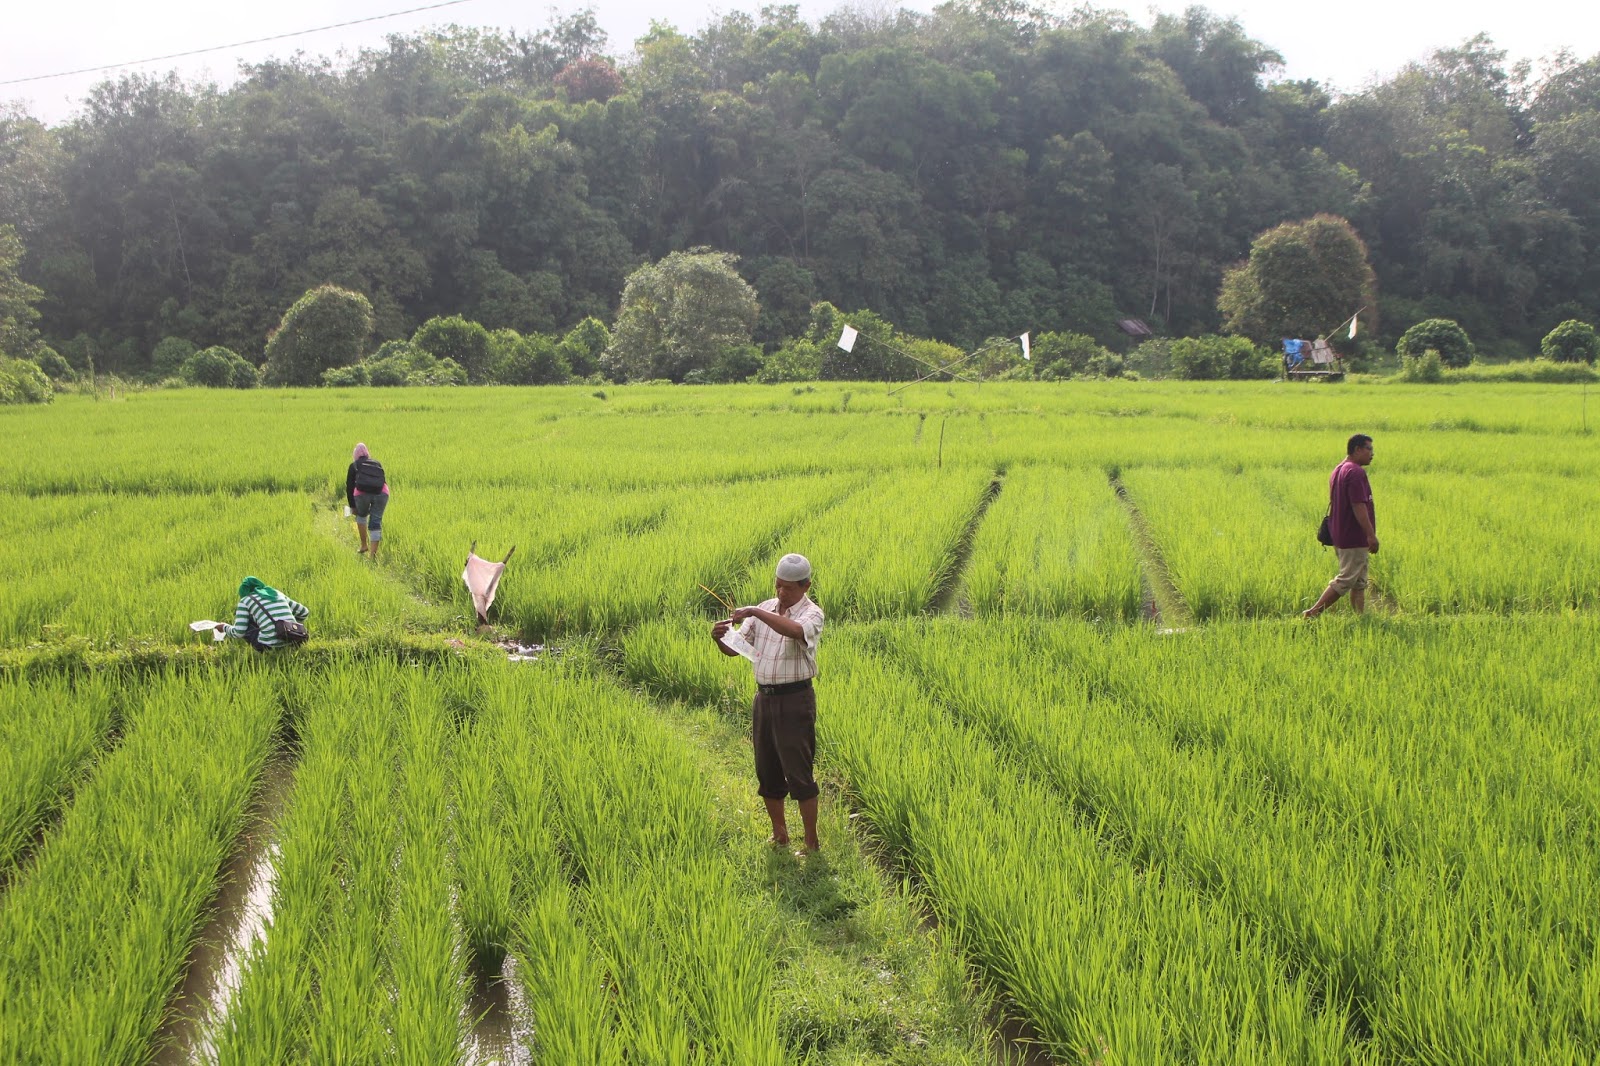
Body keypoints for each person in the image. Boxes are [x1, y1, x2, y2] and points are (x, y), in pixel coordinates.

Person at [712, 553, 825, 853]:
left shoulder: (812, 614)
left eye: (788, 587)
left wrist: (753, 612)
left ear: (806, 586)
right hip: (764, 699)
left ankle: (811, 842)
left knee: (799, 772)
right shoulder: (764, 609)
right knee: (767, 768)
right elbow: (736, 649)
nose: (781, 592)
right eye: (778, 585)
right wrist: (721, 638)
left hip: (795, 700)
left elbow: (794, 631)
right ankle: (780, 835)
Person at [1304, 434, 1378, 618]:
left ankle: (1360, 618)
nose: (1372, 454)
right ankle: (1313, 612)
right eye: (1369, 449)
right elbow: (1358, 505)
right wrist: (1370, 535)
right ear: (1357, 449)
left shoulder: (1340, 469)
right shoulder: (1355, 472)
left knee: (1359, 582)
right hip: (1353, 536)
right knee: (1346, 579)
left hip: (1341, 533)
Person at [216, 576, 310, 651]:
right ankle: (285, 639)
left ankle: (268, 645)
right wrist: (290, 624)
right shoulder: (276, 593)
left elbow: (239, 632)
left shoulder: (245, 600)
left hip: (268, 646)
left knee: (246, 622)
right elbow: (304, 612)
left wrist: (224, 627)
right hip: (295, 640)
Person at [346, 442, 390, 560]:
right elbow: (383, 481)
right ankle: (372, 556)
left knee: (361, 516)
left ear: (355, 454)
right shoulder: (376, 463)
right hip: (382, 493)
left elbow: (349, 487)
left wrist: (353, 507)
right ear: (367, 453)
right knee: (376, 522)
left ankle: (364, 545)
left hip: (362, 494)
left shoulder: (354, 465)